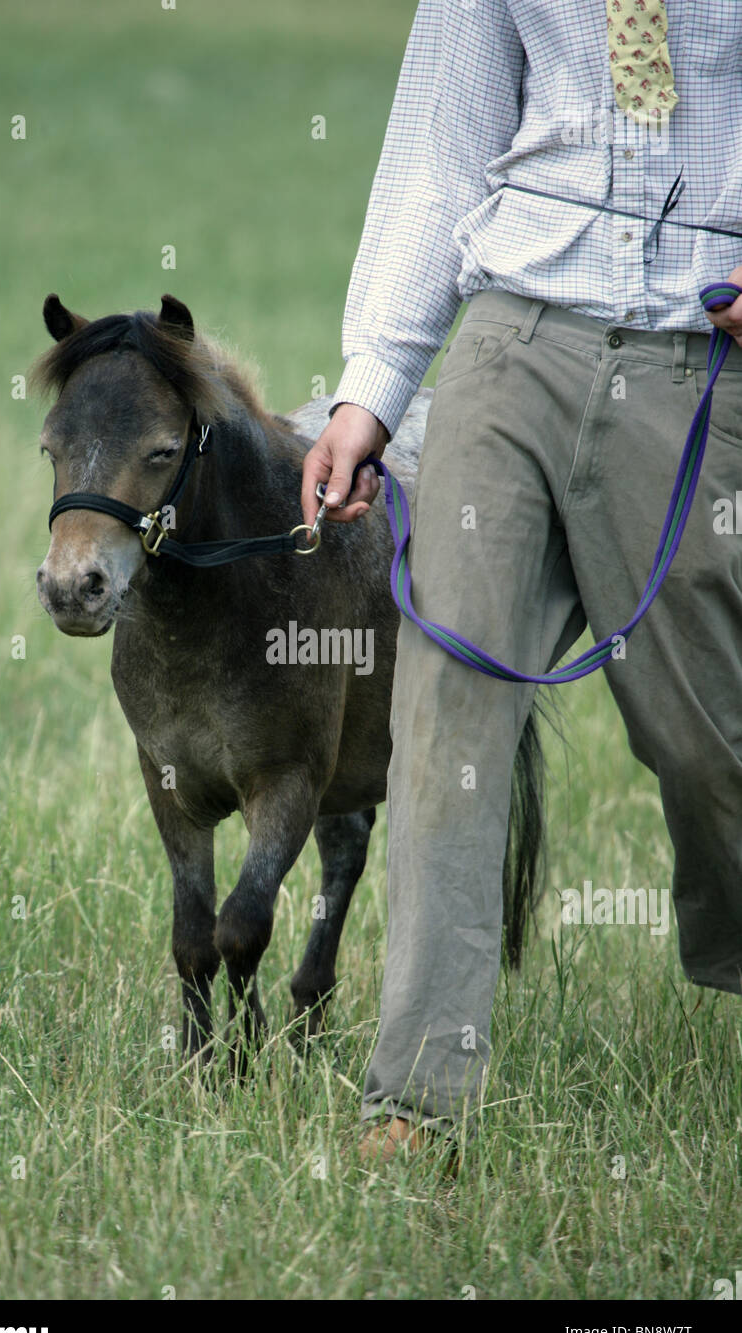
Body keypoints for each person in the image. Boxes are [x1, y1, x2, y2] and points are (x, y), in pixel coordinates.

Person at [300, 0, 742, 1161]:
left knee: (711, 744)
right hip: (510, 338)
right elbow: (439, 144)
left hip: (701, 356)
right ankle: (414, 1097)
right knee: (444, 706)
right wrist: (372, 387)